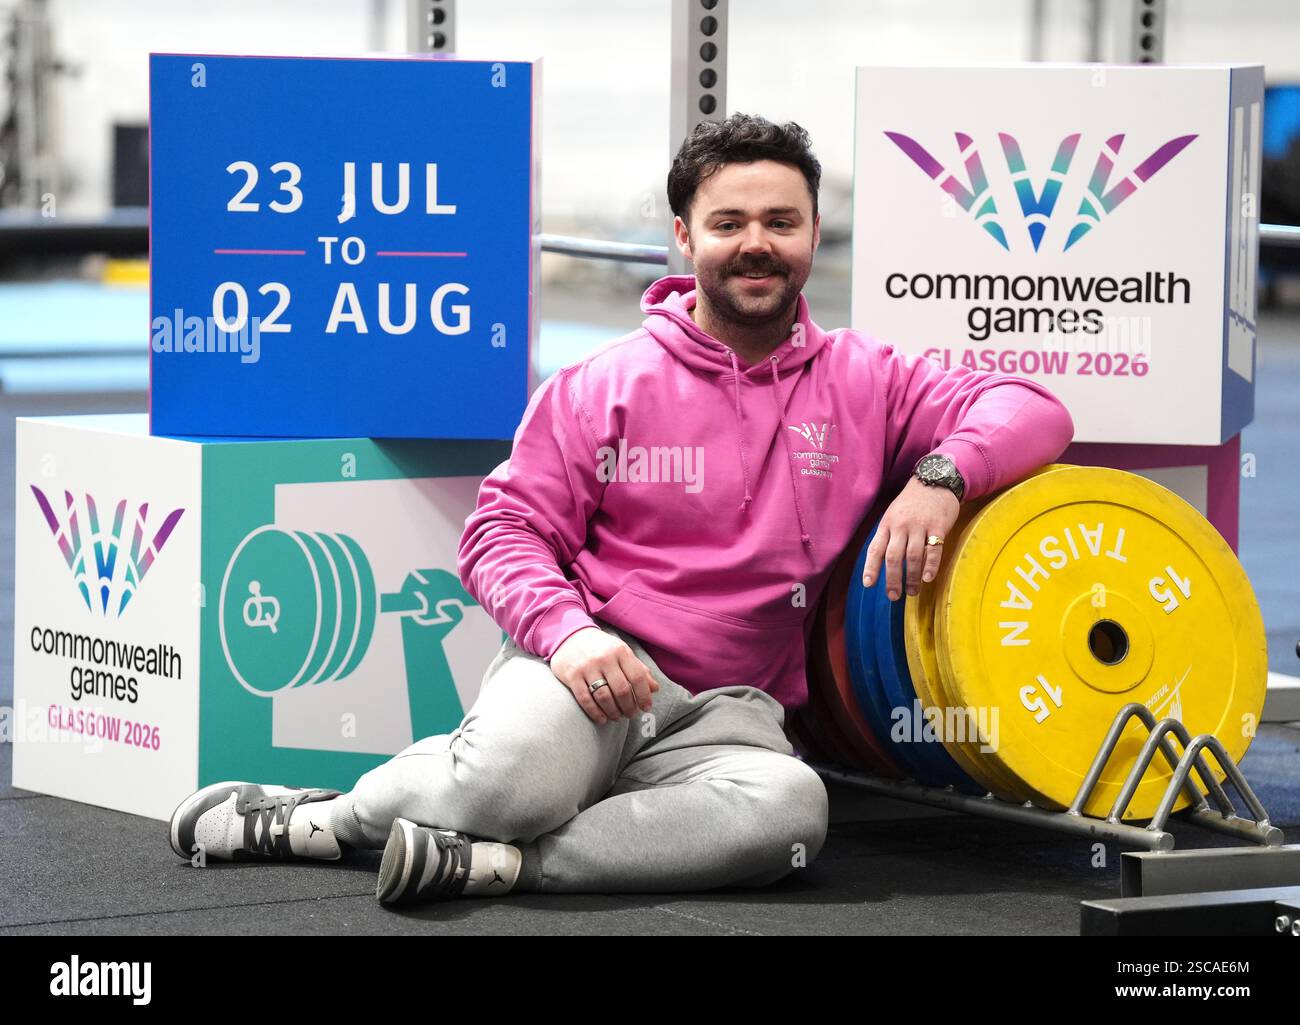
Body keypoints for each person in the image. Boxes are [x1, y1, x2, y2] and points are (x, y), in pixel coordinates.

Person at [167, 113, 1074, 907]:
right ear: (686, 236)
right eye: (729, 223)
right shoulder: (601, 385)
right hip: (592, 673)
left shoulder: (869, 380)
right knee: (507, 787)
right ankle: (322, 819)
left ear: (812, 232)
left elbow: (1036, 410)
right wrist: (568, 635)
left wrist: (943, 476)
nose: (756, 242)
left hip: (735, 710)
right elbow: (502, 533)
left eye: (780, 221)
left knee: (793, 813)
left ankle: (497, 869)